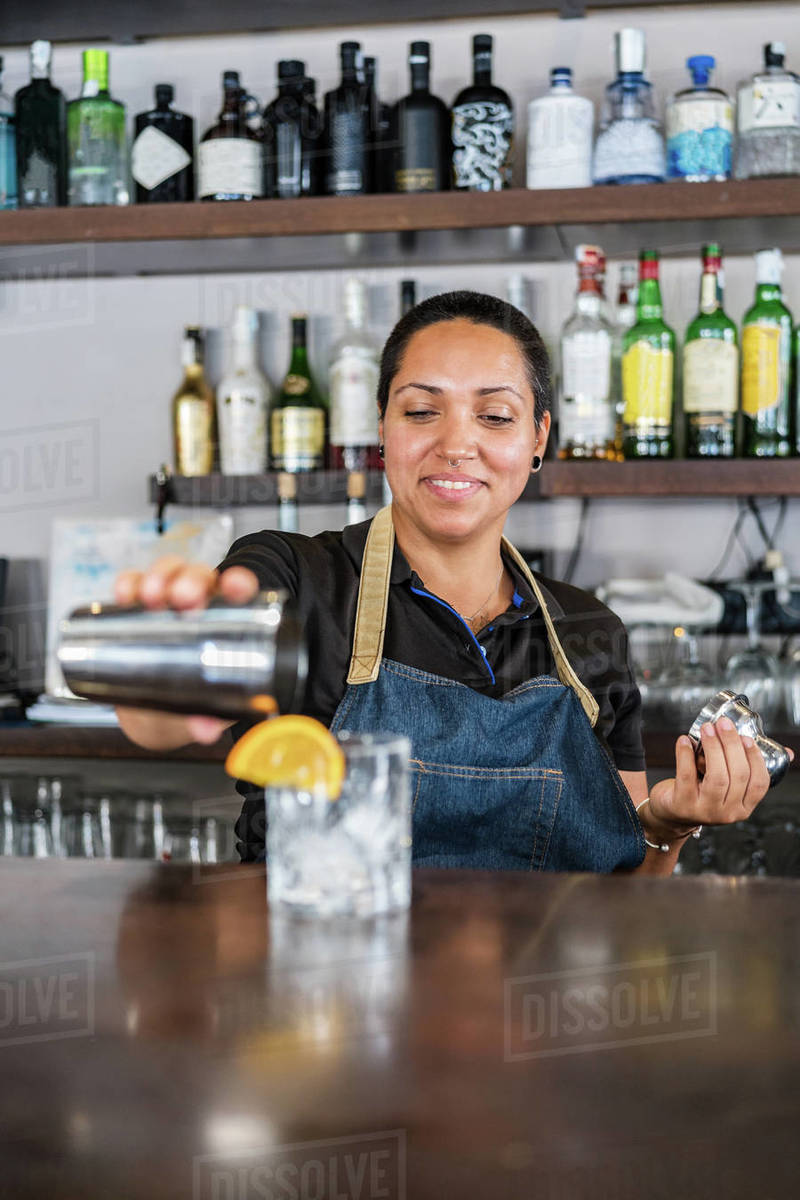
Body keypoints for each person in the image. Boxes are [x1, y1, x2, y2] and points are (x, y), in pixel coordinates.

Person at [116, 291, 790, 877]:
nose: (456, 444)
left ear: (538, 438)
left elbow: (625, 893)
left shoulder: (589, 631)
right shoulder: (298, 576)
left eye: (494, 416)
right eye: (420, 412)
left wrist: (667, 825)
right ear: (381, 428)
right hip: (322, 1004)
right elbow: (157, 718)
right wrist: (169, 650)